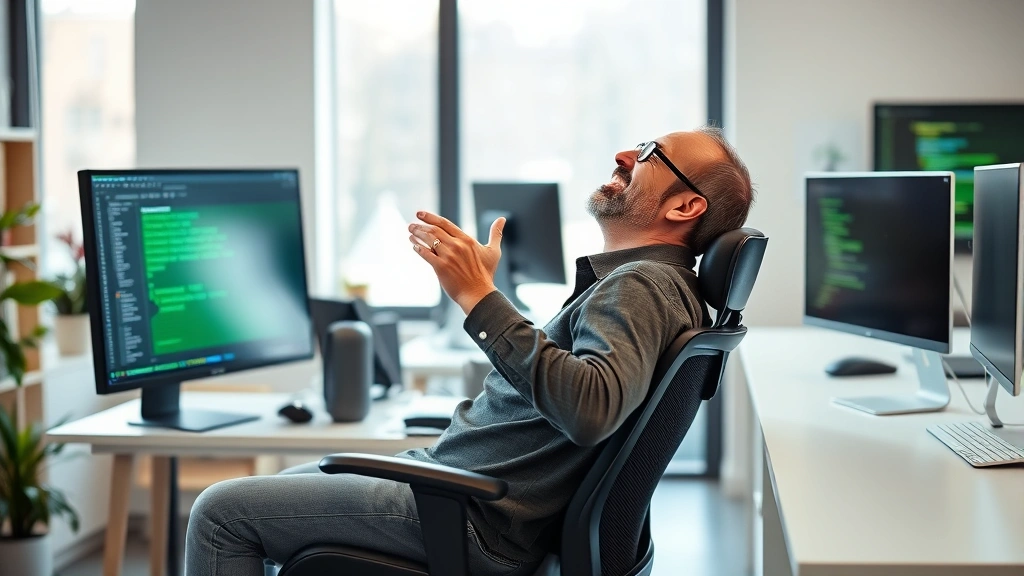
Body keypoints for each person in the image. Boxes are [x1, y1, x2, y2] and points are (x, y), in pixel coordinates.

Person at [184, 127, 755, 576]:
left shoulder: (640, 286)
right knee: (283, 487)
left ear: (685, 208)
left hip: (475, 519)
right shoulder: (649, 287)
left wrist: (479, 297)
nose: (626, 153)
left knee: (219, 514)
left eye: (652, 152)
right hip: (464, 494)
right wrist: (487, 298)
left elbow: (591, 410)